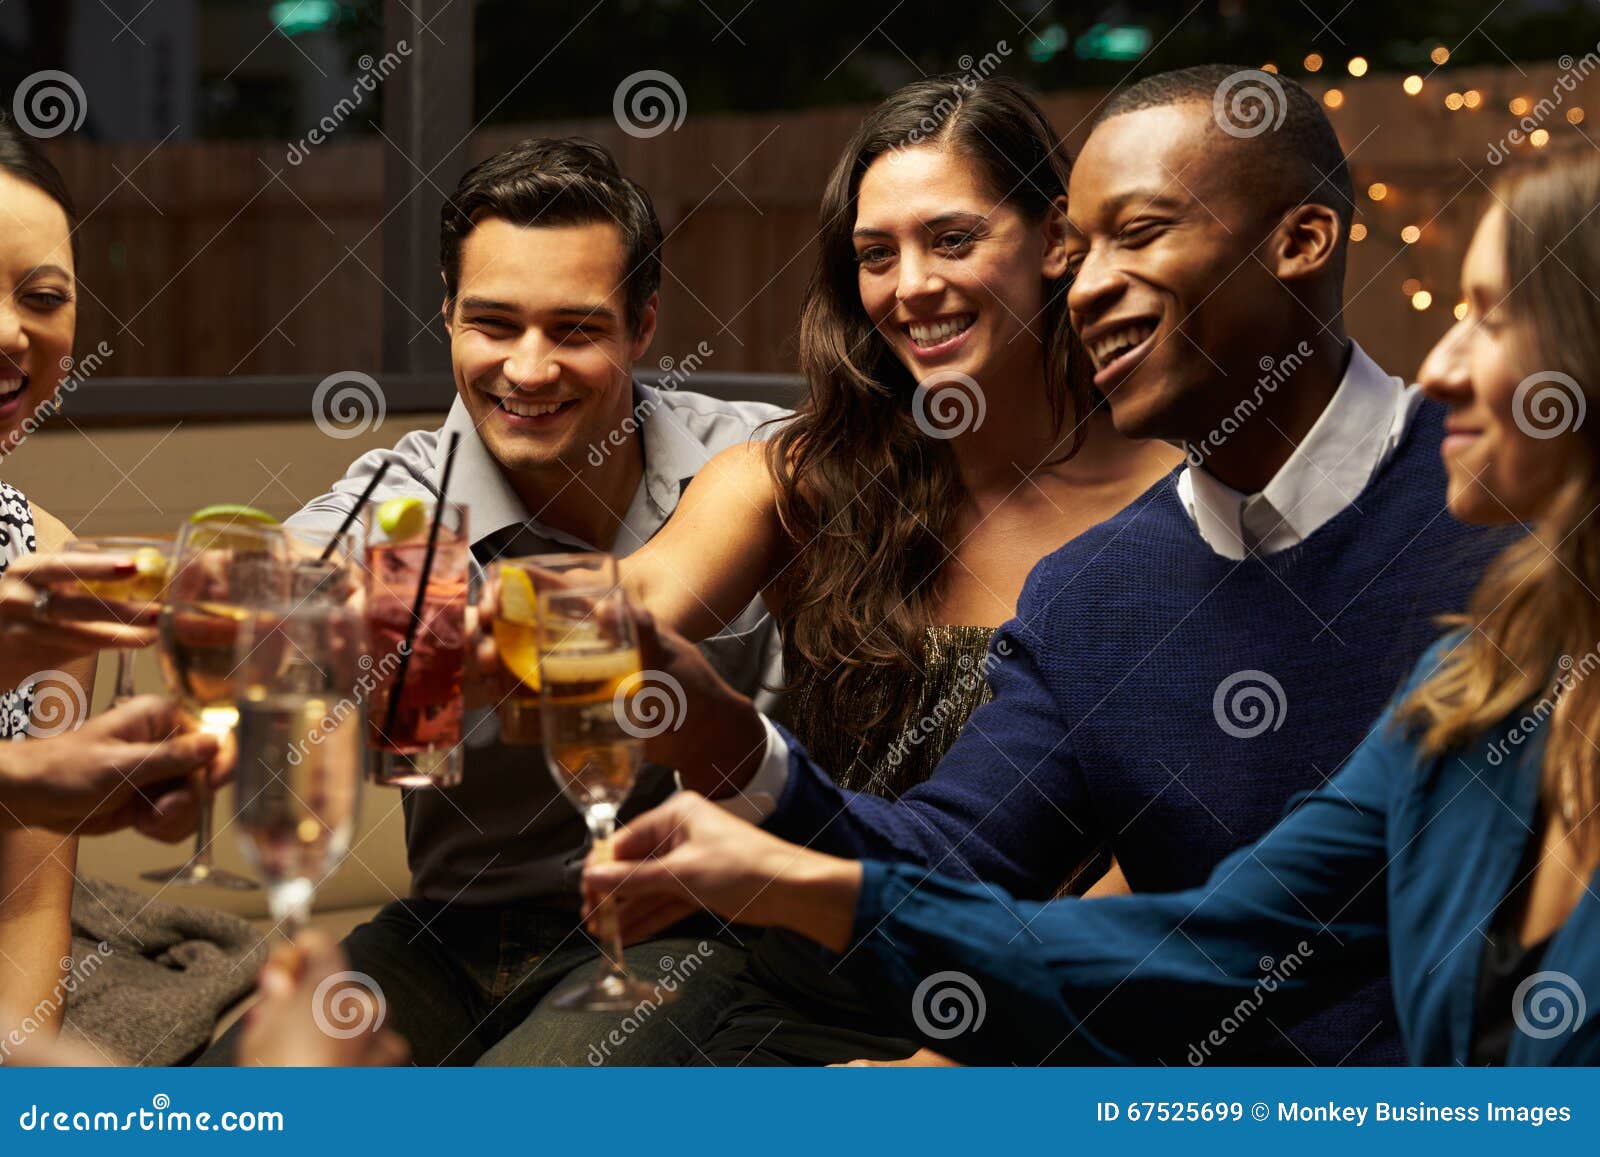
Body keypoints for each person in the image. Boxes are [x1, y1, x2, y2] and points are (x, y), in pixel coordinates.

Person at [591, 65, 1523, 1065]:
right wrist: (726, 737)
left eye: (1140, 232)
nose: (1085, 286)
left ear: (1298, 241)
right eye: (1081, 251)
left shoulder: (1527, 512)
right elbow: (950, 867)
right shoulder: (1094, 591)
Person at [604, 74, 1173, 1065]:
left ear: (1054, 241)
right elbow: (634, 605)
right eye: (876, 254)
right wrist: (412, 620)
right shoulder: (803, 476)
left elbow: (1169, 850)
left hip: (1045, 1015)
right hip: (792, 976)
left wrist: (952, 1064)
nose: (908, 285)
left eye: (951, 239)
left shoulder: (1181, 504)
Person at [201, 138, 786, 1068]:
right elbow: (283, 592)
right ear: (445, 313)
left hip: (689, 924)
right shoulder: (398, 507)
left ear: (643, 327)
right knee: (230, 1108)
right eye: (493, 324)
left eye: (576, 330)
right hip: (451, 930)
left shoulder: (750, 463)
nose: (528, 368)